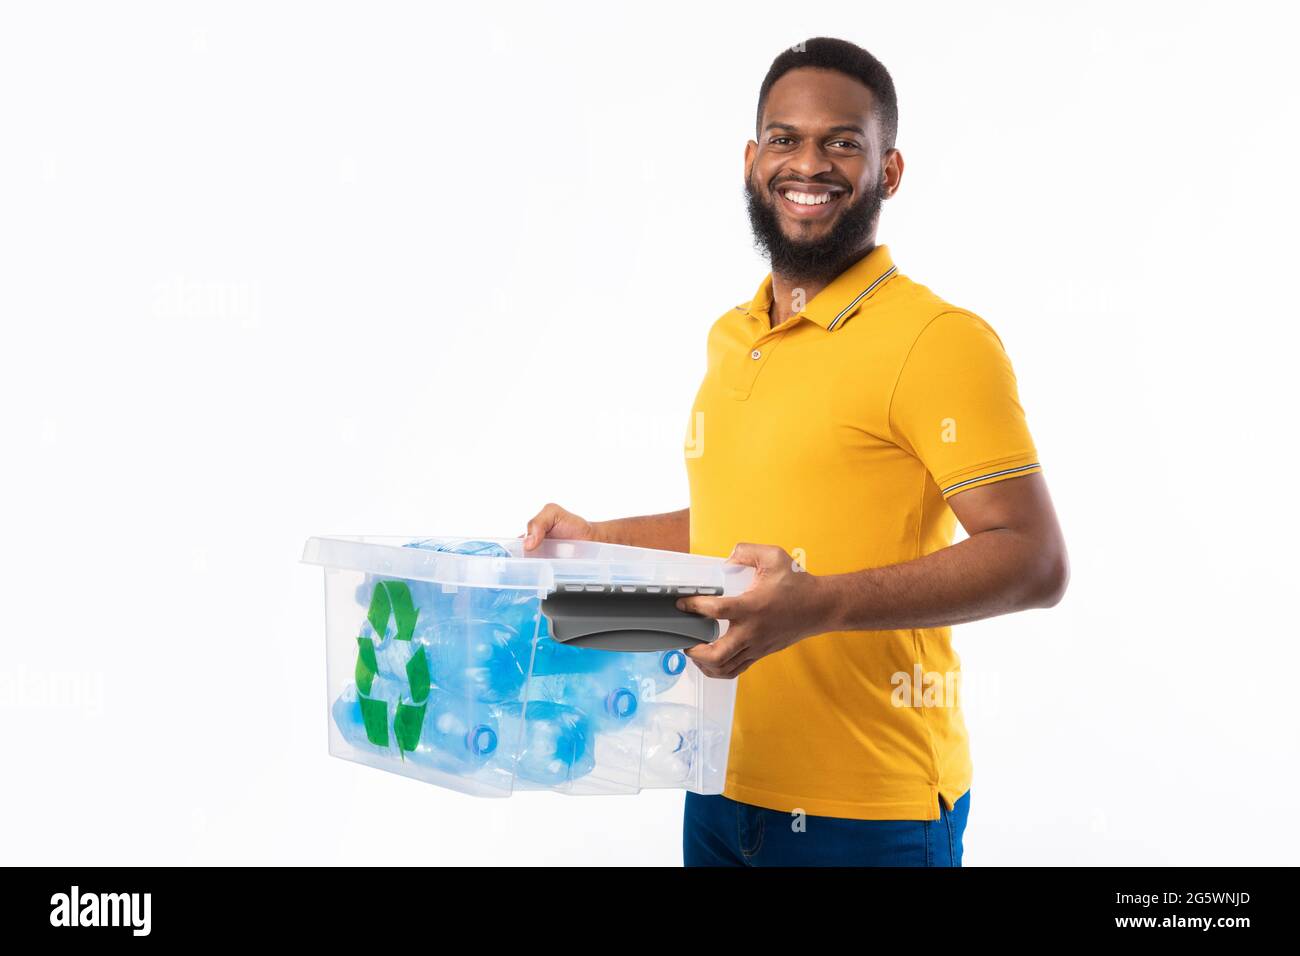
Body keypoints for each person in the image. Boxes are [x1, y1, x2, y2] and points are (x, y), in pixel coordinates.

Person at [523, 37, 1068, 867]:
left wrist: (820, 602)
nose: (807, 163)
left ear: (888, 170)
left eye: (842, 141)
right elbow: (737, 520)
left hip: (868, 813)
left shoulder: (939, 341)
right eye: (785, 138)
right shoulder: (731, 335)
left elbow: (1034, 560)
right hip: (717, 780)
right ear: (752, 159)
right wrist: (596, 537)